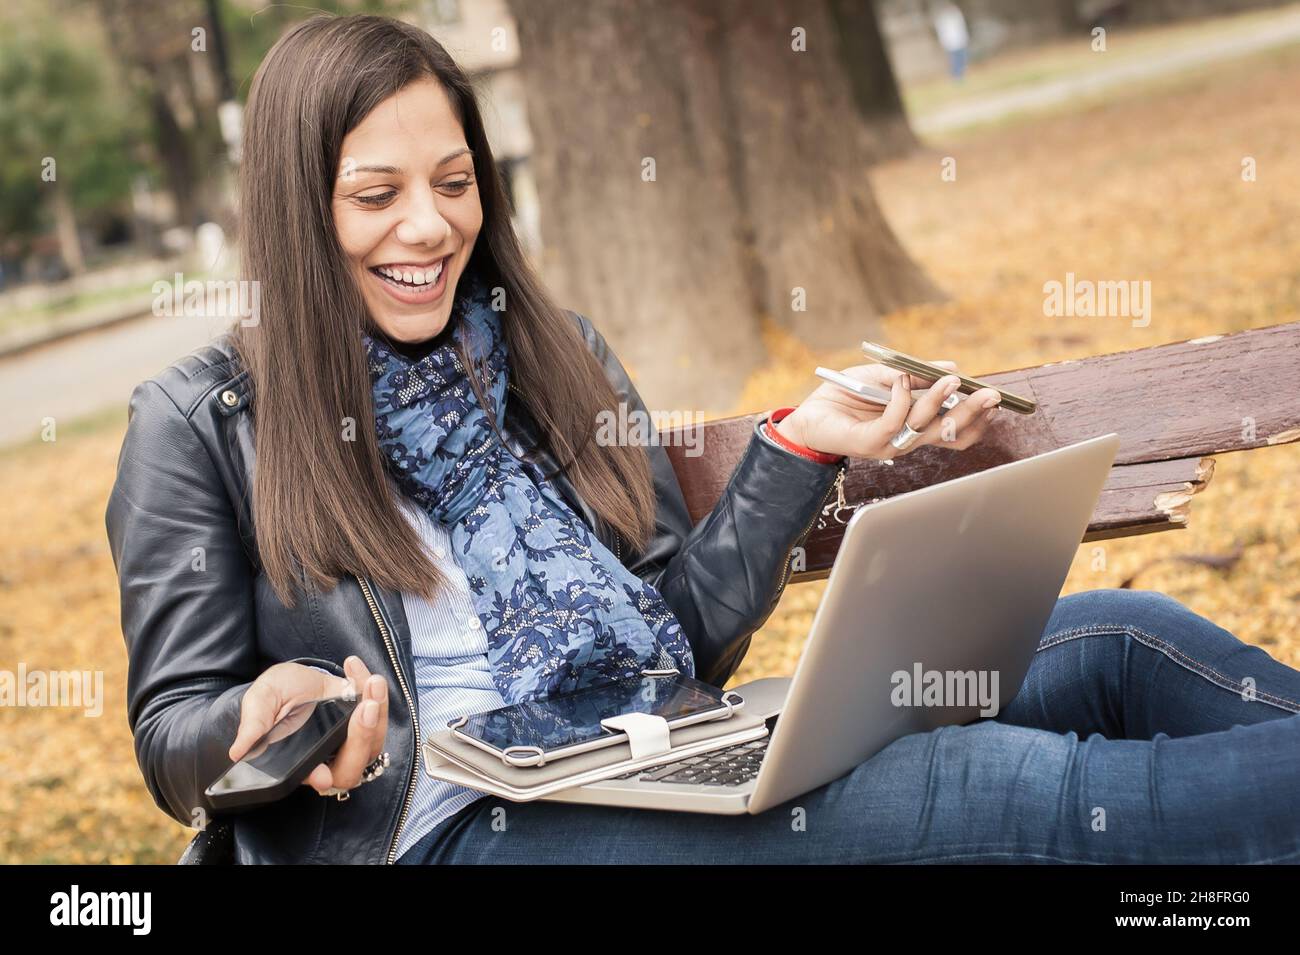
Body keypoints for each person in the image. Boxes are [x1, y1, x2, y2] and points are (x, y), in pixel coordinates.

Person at [106, 14, 1300, 865]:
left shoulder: (546, 350)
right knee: (1012, 789)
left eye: (455, 180)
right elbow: (174, 744)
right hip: (446, 823)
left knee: (1123, 642)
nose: (431, 225)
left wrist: (802, 447)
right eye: (377, 195)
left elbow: (681, 637)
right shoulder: (199, 425)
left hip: (649, 740)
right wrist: (269, 710)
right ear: (295, 206)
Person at [932, 1, 970, 82]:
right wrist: (944, 42)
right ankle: (956, 77)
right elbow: (941, 32)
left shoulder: (956, 15)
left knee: (962, 58)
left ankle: (962, 75)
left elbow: (961, 27)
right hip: (950, 42)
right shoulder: (942, 19)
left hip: (960, 40)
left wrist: (965, 37)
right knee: (954, 60)